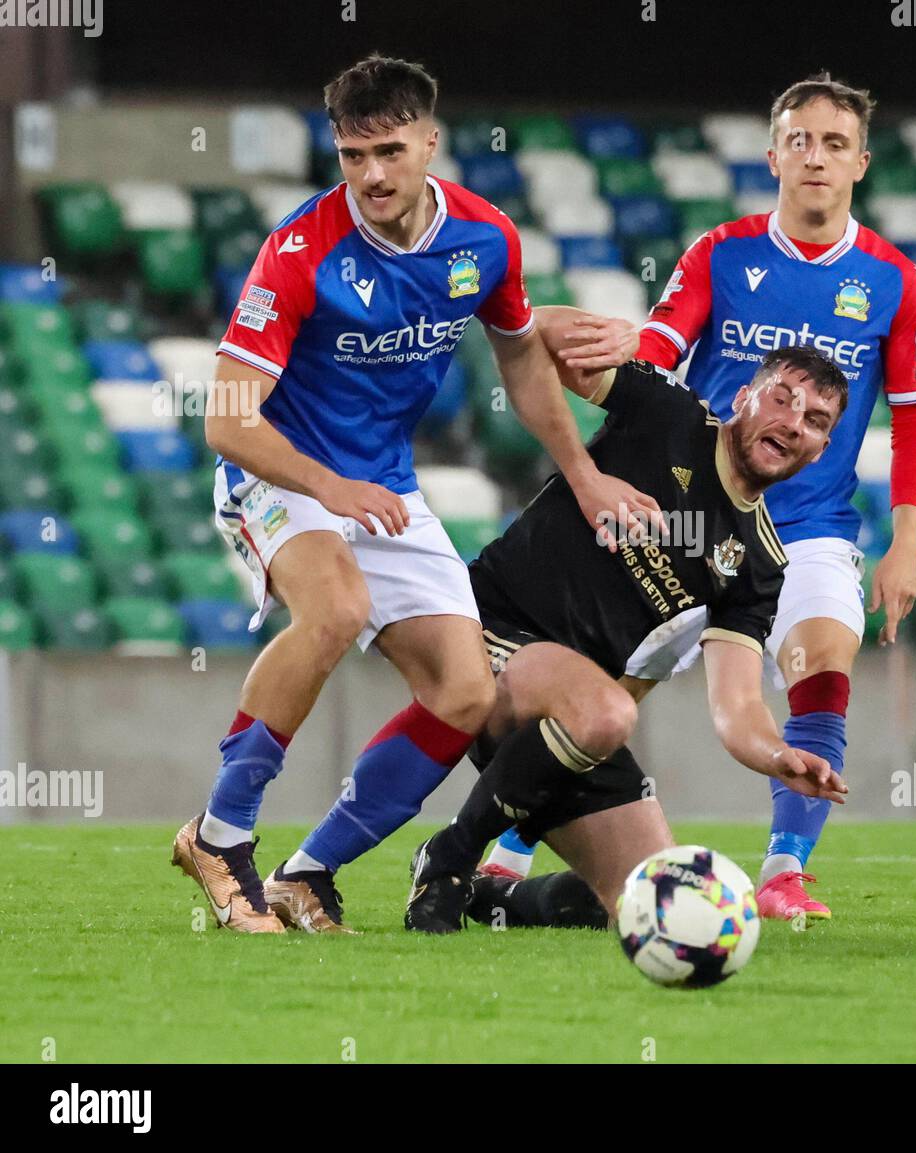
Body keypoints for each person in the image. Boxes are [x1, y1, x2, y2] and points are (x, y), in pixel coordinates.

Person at [170, 55, 658, 933]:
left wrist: (583, 476)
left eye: (390, 151)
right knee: (330, 610)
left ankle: (307, 872)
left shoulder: (484, 240)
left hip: (381, 485)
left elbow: (521, 358)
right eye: (352, 156)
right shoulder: (298, 251)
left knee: (467, 693)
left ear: (431, 143)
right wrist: (332, 486)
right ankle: (220, 835)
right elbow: (227, 421)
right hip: (282, 472)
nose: (372, 175)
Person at [480, 74, 916, 921]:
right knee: (617, 691)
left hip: (809, 525)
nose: (815, 156)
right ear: (773, 156)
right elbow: (658, 350)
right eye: (799, 140)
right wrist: (623, 341)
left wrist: (906, 542)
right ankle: (507, 846)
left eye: (834, 143)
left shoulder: (895, 283)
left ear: (861, 164)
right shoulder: (721, 253)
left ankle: (785, 868)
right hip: (703, 515)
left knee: (820, 667)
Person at [404, 328, 851, 934]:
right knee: (607, 712)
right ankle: (451, 857)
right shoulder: (670, 414)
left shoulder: (760, 562)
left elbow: (738, 706)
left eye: (817, 420)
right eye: (783, 399)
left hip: (578, 724)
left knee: (663, 906)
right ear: (743, 396)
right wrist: (613, 331)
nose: (796, 423)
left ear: (821, 449)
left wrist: (777, 756)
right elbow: (526, 331)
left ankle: (493, 901)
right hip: (490, 637)